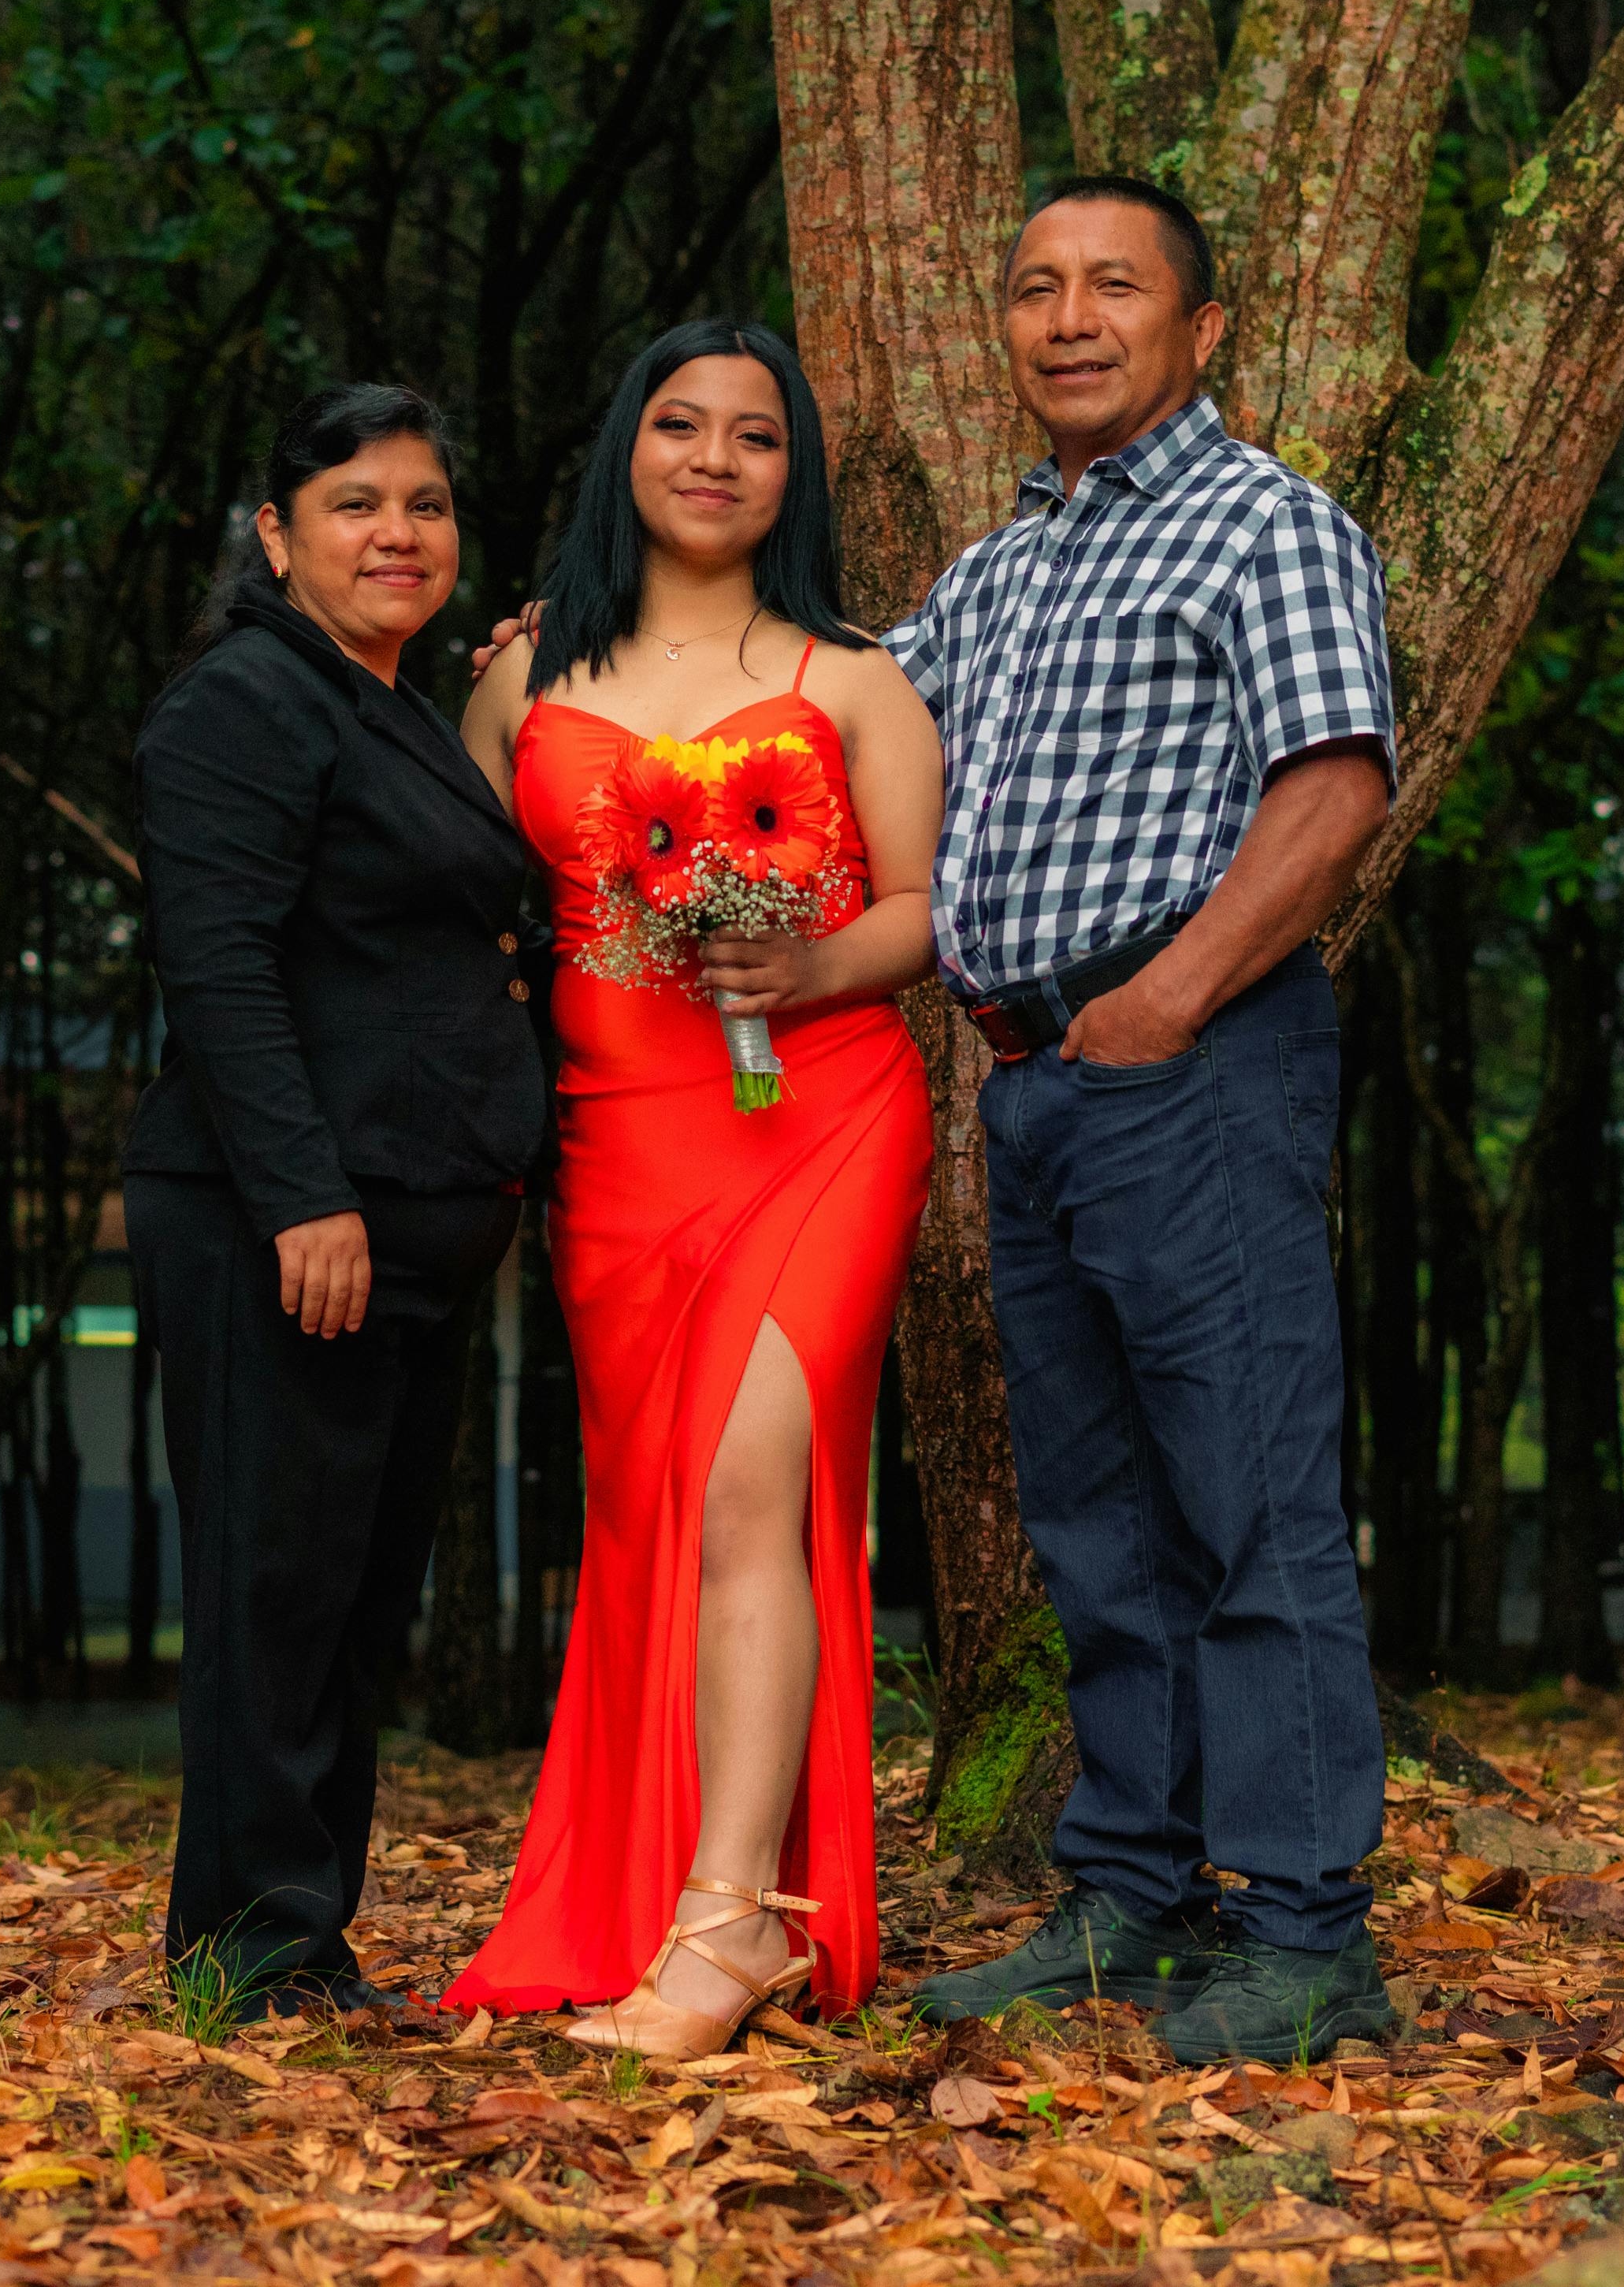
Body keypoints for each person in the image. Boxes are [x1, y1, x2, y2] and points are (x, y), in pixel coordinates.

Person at [890, 175, 1399, 2065]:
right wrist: (615, 640)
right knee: (1098, 1520)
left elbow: (1334, 786)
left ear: (1203, 329)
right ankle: (1130, 1892)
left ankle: (1308, 1932)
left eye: (1114, 284)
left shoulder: (1264, 523)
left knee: (1248, 1500)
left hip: (1193, 1064)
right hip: (1032, 1086)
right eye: (1037, 285)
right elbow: (840, 727)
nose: (1068, 316)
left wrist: (1166, 1002)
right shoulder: (1000, 570)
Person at [438, 322, 940, 2055]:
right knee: (654, 1508)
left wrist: (806, 963)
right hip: (617, 1142)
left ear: (796, 475)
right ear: (627, 450)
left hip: (818, 1122)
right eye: (680, 423)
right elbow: (457, 903)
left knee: (747, 1490)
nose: (715, 457)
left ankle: (732, 1929)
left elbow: (924, 913)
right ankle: (648, 1886)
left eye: (756, 434)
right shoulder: (522, 677)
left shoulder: (853, 679)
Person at [127, 383, 552, 2020]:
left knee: (350, 1601)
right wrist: (304, 1197)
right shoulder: (245, 700)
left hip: (413, 1228)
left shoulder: (389, 708)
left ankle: (300, 1935)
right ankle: (247, 1952)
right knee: (277, 1591)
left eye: (425, 505)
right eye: (356, 504)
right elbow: (217, 965)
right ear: (276, 533)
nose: (397, 533)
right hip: (290, 1230)